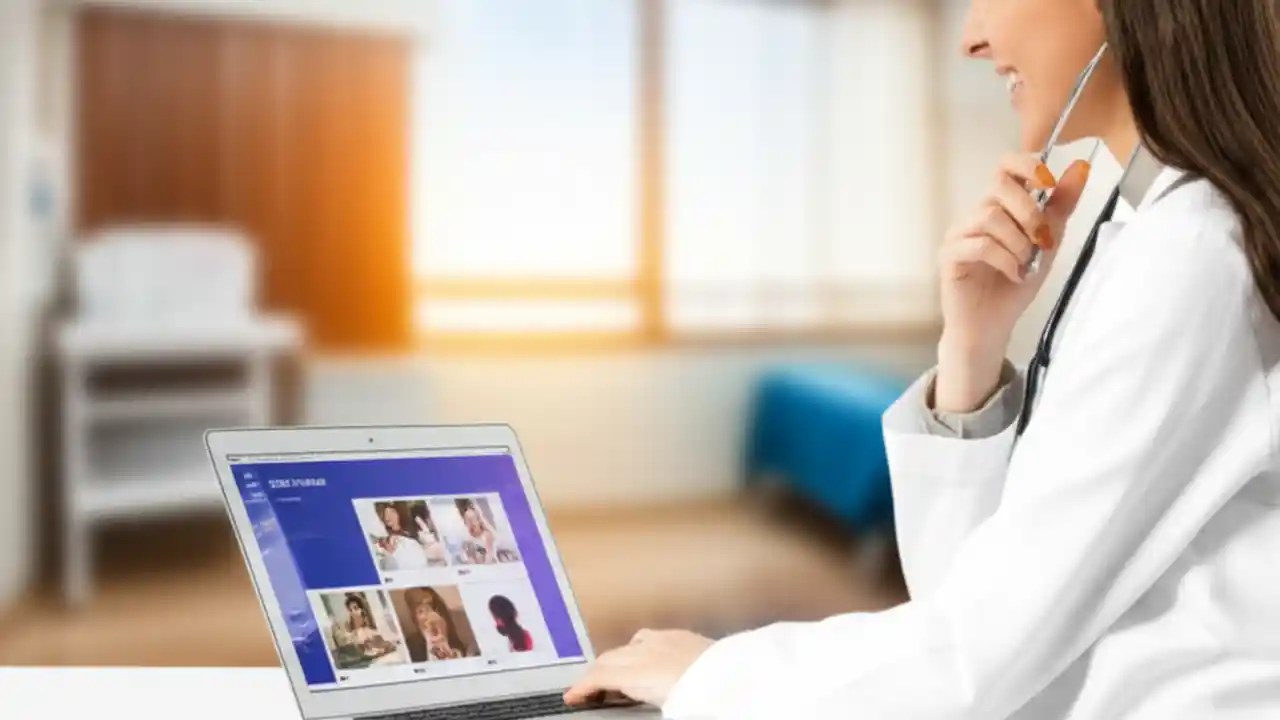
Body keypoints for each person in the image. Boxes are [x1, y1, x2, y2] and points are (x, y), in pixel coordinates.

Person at [566, 1, 1280, 717]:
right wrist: (971, 348)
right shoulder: (1145, 232)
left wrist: (714, 673)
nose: (970, 38)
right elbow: (974, 593)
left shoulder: (1189, 251)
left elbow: (975, 654)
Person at [403, 587, 471, 662]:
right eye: (421, 611)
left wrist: (443, 638)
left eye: (432, 608)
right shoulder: (411, 645)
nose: (428, 615)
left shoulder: (455, 643)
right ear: (415, 618)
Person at [330, 593, 397, 668]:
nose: (353, 612)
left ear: (362, 610)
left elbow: (386, 645)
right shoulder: (349, 633)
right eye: (350, 610)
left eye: (356, 608)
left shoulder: (369, 631)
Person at [372, 501, 444, 570]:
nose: (389, 517)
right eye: (386, 516)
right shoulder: (392, 540)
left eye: (392, 513)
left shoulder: (412, 530)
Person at [457, 499, 518, 564]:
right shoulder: (470, 539)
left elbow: (489, 556)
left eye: (473, 519)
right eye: (468, 521)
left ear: (479, 521)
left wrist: (476, 549)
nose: (471, 523)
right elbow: (480, 552)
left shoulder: (486, 535)